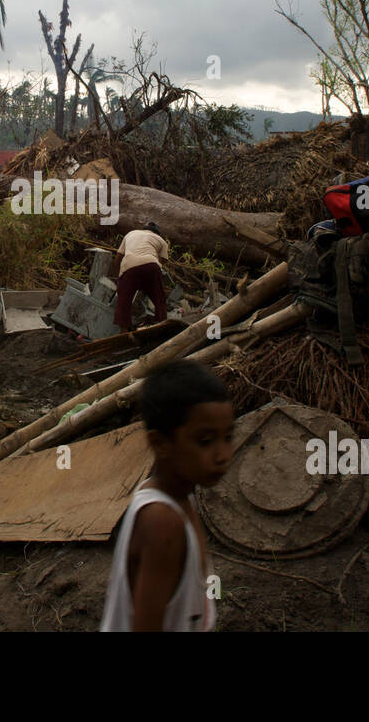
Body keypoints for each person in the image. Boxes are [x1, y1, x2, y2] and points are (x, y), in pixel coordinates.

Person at [100, 360, 233, 632]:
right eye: (205, 441)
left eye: (228, 437)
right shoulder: (163, 523)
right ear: (161, 443)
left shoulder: (178, 497)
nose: (222, 455)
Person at [111, 221, 169, 331]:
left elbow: (118, 257)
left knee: (123, 300)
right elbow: (162, 261)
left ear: (143, 229)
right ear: (157, 233)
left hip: (129, 266)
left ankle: (124, 331)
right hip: (151, 264)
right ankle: (162, 324)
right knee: (159, 297)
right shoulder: (161, 241)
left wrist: (118, 277)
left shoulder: (131, 234)